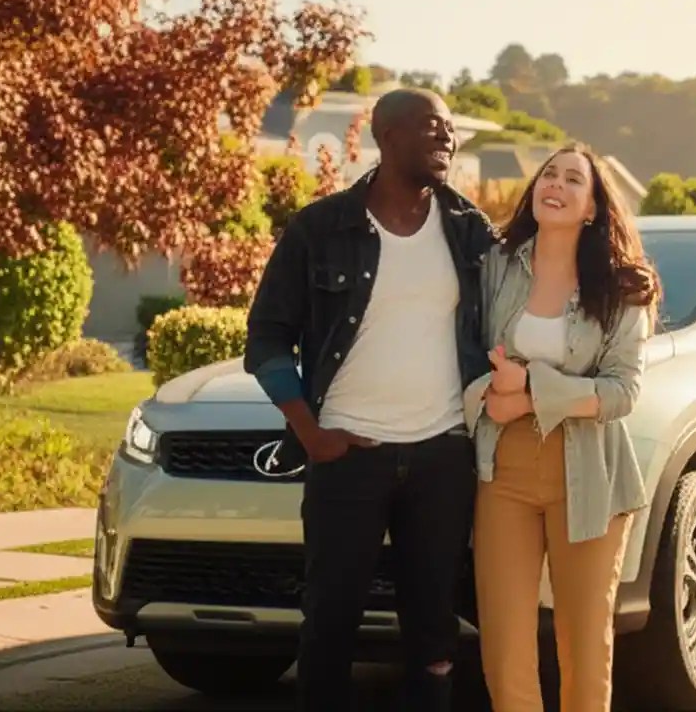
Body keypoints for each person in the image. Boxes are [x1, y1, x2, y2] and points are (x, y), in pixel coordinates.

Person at [243, 88, 496, 712]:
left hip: (442, 455)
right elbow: (266, 338)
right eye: (431, 127)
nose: (446, 139)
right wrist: (312, 434)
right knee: (330, 620)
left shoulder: (470, 232)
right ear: (387, 136)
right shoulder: (320, 228)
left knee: (434, 628)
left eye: (449, 130)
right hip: (348, 452)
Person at [463, 142, 661, 711]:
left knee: (584, 641)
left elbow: (623, 392)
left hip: (590, 471)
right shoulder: (498, 265)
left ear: (594, 206)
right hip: (503, 467)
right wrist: (488, 398)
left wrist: (529, 394)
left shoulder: (624, 286)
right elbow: (466, 354)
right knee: (504, 643)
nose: (556, 184)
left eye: (574, 179)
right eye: (549, 174)